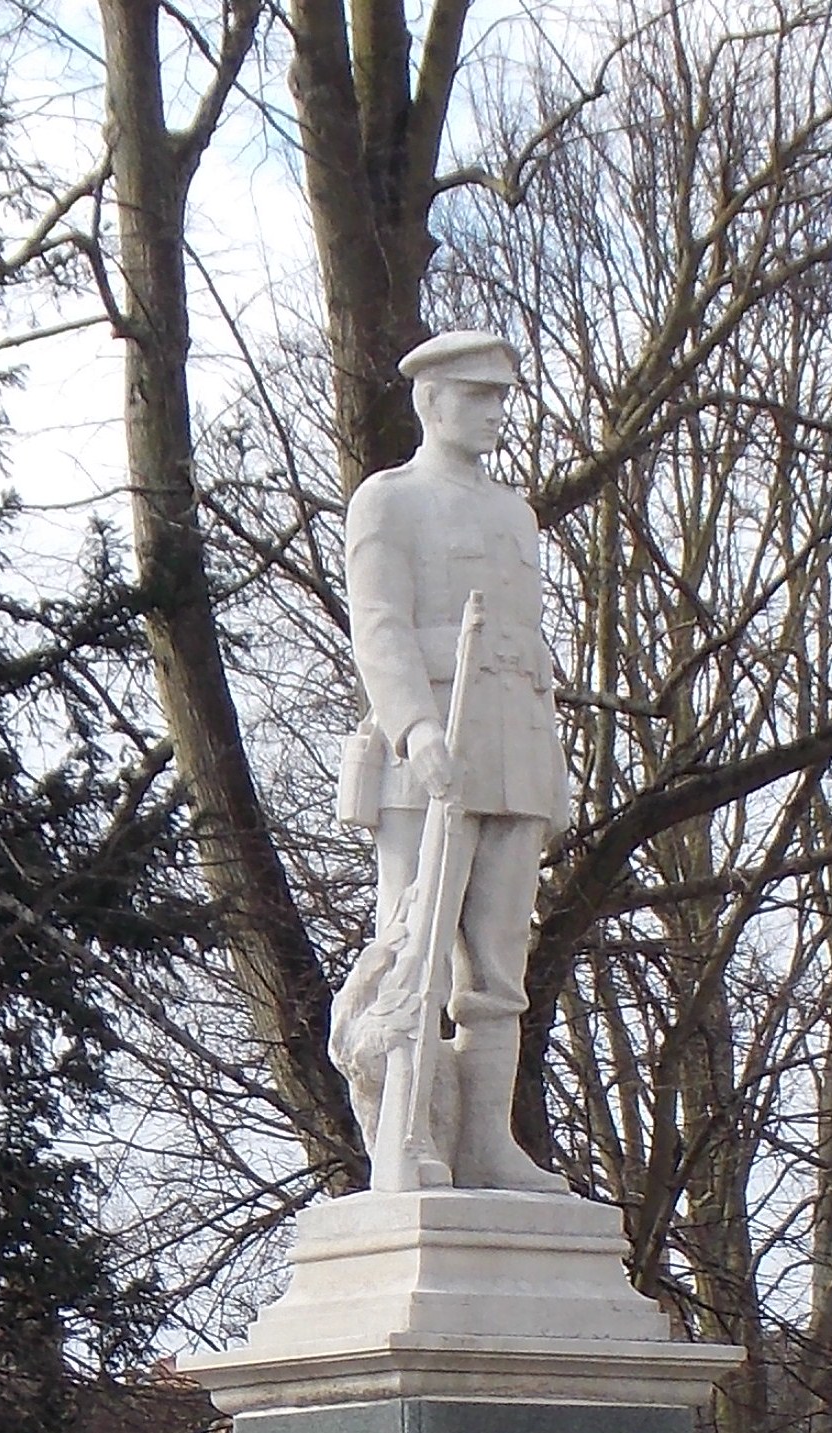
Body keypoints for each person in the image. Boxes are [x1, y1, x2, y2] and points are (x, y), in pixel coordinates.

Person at [329, 328, 567, 1193]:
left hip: (511, 740)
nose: (497, 411)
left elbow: (528, 646)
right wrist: (417, 730)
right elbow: (379, 625)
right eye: (479, 395)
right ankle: (406, 1134)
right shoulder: (389, 501)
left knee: (498, 964)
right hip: (429, 745)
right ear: (432, 400)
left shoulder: (513, 513)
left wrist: (552, 768)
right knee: (414, 945)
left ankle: (486, 1144)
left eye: (502, 396)